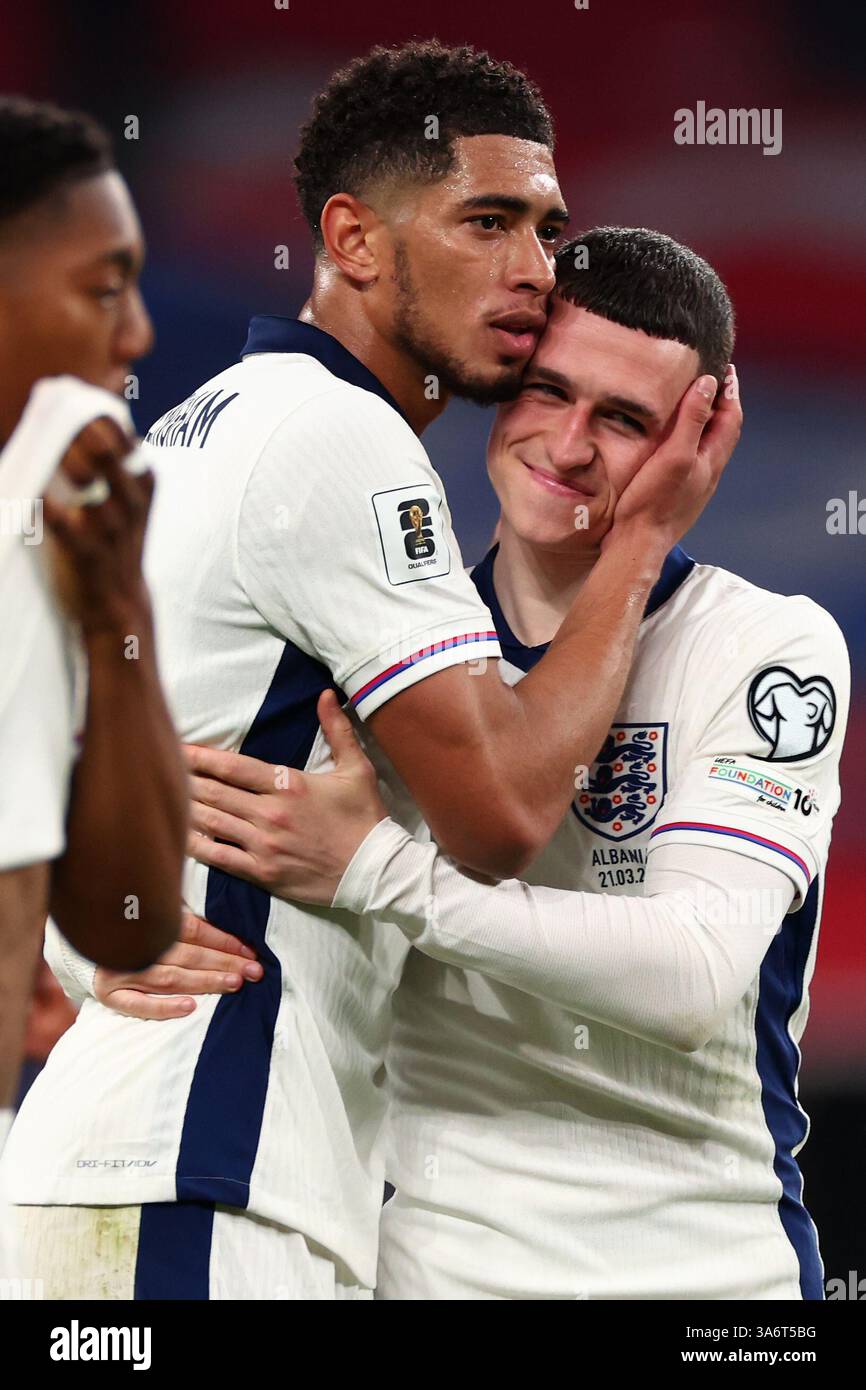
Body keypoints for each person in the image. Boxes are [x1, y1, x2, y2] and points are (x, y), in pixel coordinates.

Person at [3, 46, 738, 1301]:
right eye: (485, 222)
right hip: (200, 1169)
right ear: (350, 237)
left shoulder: (185, 438)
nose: (531, 270)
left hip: (145, 1165)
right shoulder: (336, 437)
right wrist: (642, 538)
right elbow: (503, 813)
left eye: (547, 231)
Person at [104, 230, 848, 1300]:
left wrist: (375, 872)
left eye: (625, 420)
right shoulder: (387, 651)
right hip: (430, 1275)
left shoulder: (762, 644)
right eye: (548, 391)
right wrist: (110, 931)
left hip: (712, 1284)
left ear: (695, 448)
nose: (571, 444)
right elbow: (140, 801)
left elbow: (689, 976)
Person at [0, 98, 186, 1185]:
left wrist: (119, 615)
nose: (136, 335)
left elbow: (128, 921)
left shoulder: (52, 547)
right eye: (102, 287)